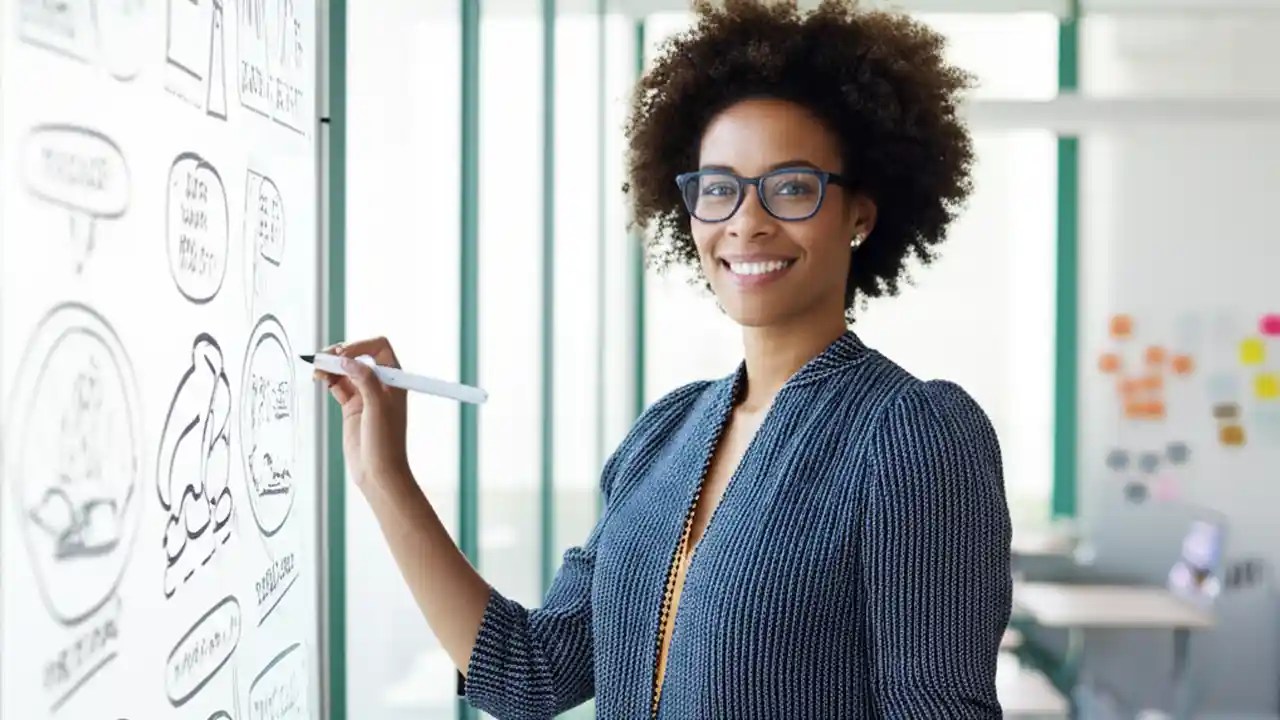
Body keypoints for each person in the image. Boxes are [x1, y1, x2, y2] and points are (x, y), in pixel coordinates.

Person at [317, 1, 1012, 717]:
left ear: (859, 214)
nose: (747, 219)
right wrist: (383, 476)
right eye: (718, 189)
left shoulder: (913, 434)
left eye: (793, 187)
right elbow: (530, 675)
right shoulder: (666, 432)